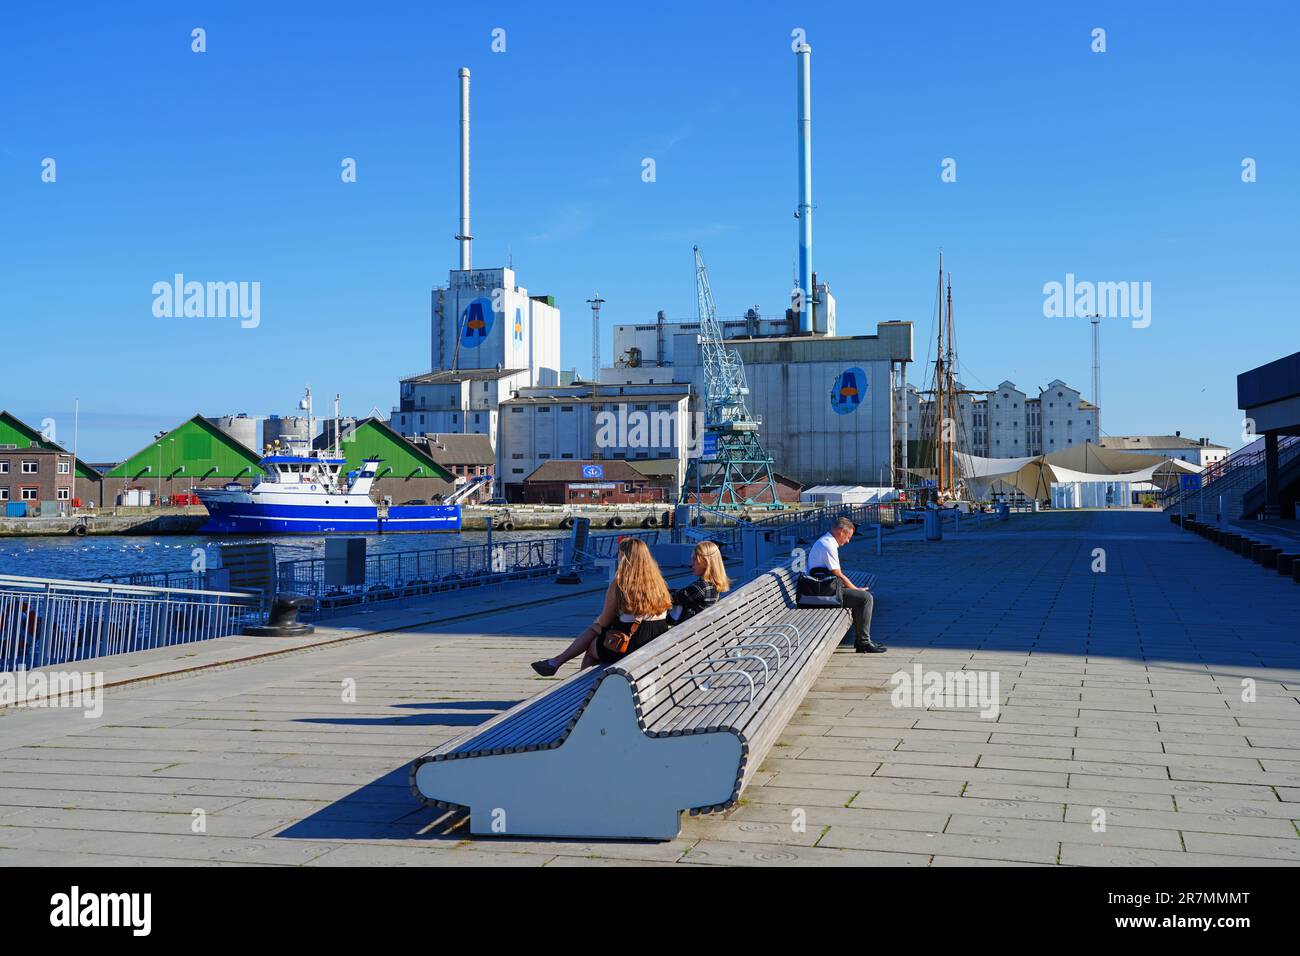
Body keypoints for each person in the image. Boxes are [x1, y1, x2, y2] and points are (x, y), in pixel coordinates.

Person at [531, 537, 674, 675]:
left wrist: (597, 623)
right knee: (597, 631)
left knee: (592, 646)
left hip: (629, 644)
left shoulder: (620, 584)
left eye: (619, 553)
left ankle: (578, 687)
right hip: (655, 641)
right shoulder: (658, 583)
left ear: (624, 558)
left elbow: (605, 621)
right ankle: (556, 662)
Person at [807, 516, 886, 654]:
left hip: (821, 588)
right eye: (848, 537)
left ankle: (861, 640)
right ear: (840, 532)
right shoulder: (828, 545)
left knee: (860, 597)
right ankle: (863, 642)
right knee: (865, 598)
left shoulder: (825, 541)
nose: (848, 541)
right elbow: (838, 574)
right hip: (821, 593)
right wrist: (855, 589)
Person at [669, 540, 730, 624]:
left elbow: (674, 598)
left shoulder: (701, 587)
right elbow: (684, 593)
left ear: (706, 562)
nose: (691, 564)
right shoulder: (712, 585)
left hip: (689, 631)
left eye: (695, 559)